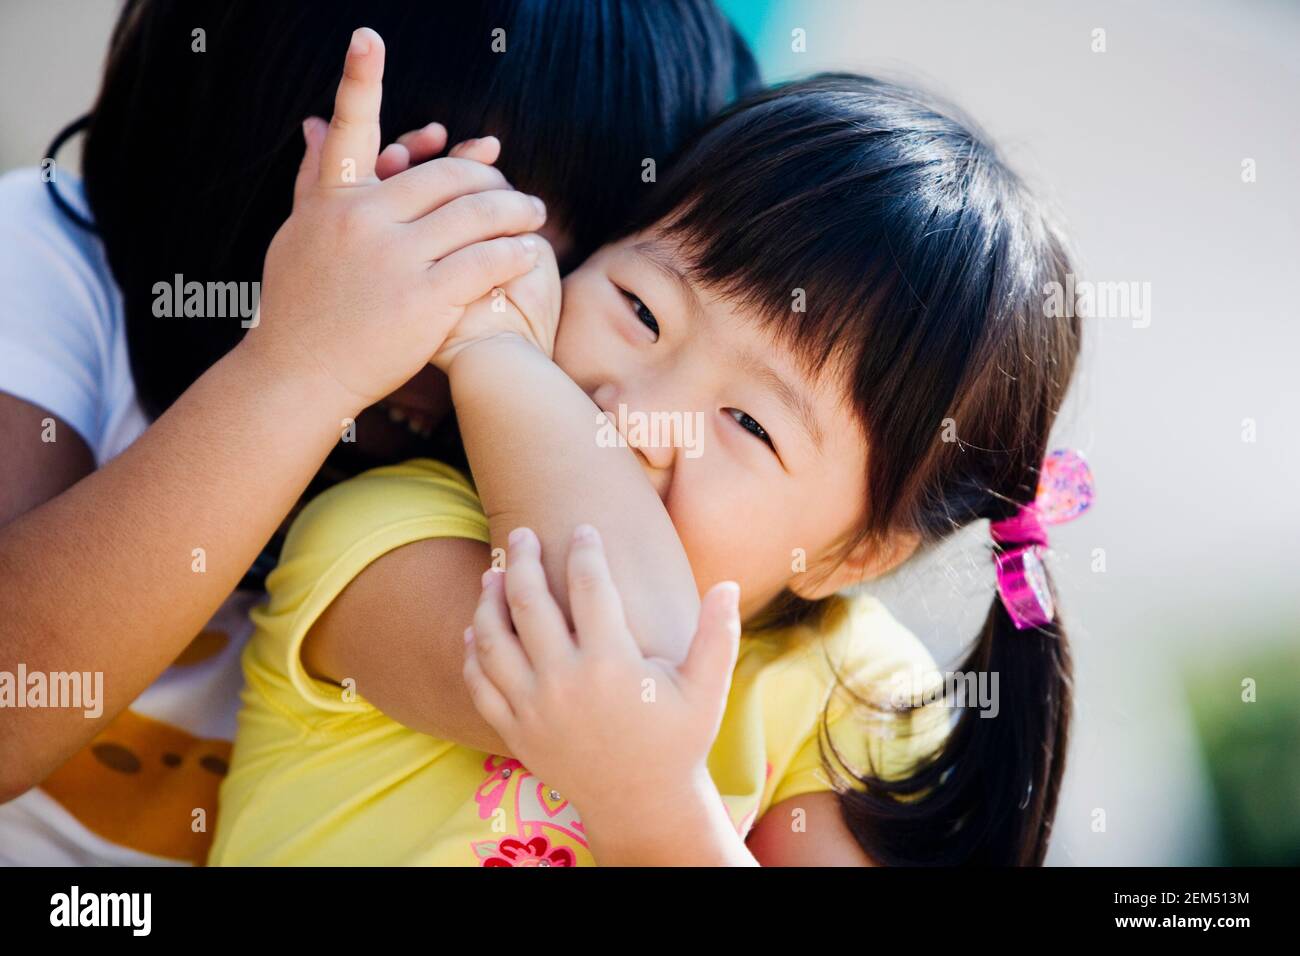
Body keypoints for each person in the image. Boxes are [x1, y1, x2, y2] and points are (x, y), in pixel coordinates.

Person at [210, 70, 1084, 866]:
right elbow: (618, 642)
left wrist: (655, 810)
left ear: (855, 555)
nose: (636, 415)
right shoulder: (381, 538)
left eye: (749, 422)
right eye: (640, 308)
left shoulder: (856, 695)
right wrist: (495, 355)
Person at [0, 0, 758, 864]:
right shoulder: (49, 263)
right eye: (424, 228)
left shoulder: (512, 452)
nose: (457, 322)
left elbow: (622, 655)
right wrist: (301, 365)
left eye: (544, 267)